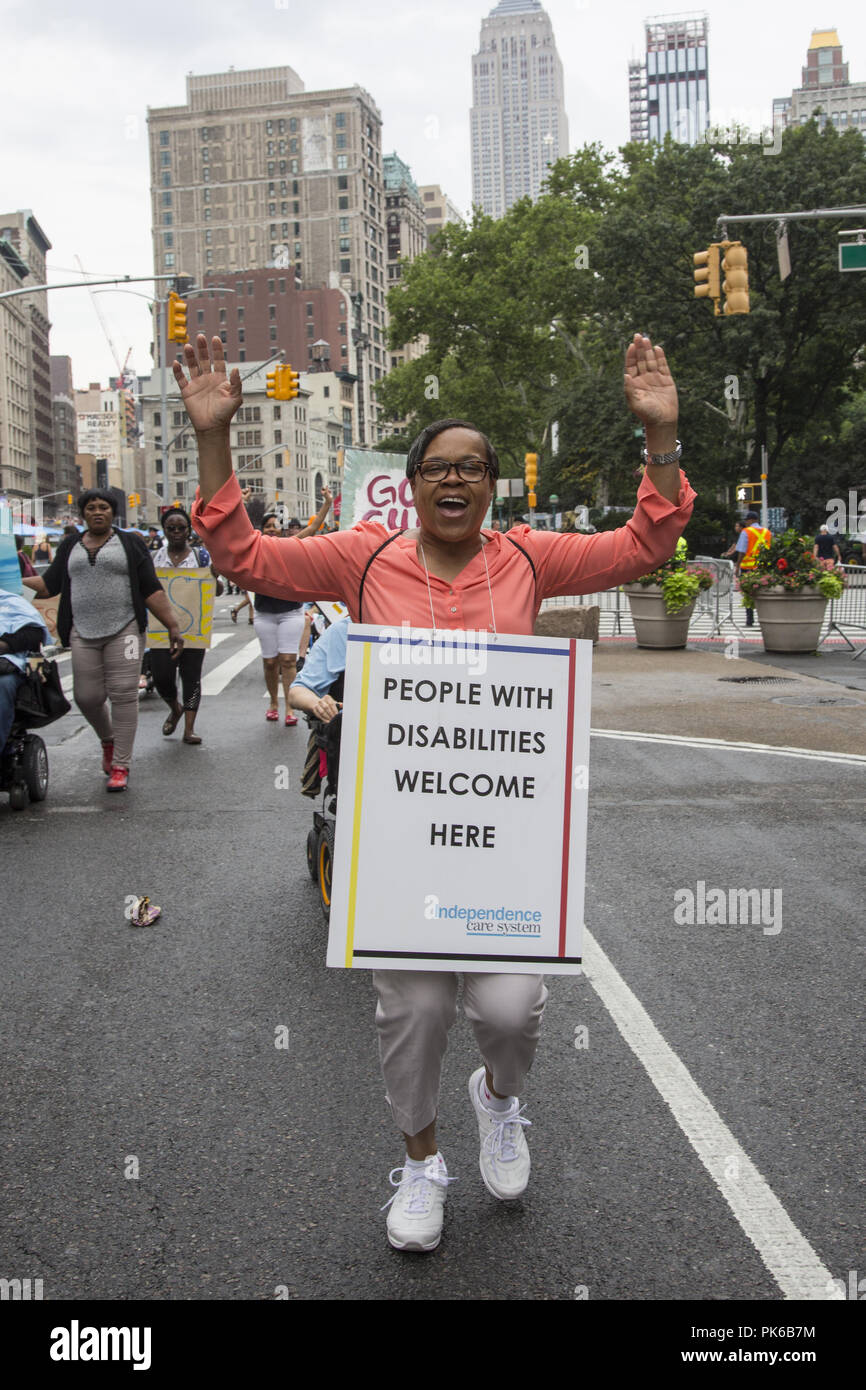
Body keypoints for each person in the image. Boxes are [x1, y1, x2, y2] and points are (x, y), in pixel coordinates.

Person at [178, 331, 695, 1253]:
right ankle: (421, 1163)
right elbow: (245, 557)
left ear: (493, 486)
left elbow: (647, 543)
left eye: (473, 469)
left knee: (509, 1009)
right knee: (411, 1010)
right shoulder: (363, 561)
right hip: (401, 841)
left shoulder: (532, 559)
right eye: (437, 469)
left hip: (505, 844)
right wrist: (217, 439)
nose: (454, 482)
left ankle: (497, 1102)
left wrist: (660, 437)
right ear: (411, 484)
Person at [21, 488, 182, 792]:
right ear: (83, 514)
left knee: (123, 694)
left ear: (112, 512)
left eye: (104, 507)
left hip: (126, 629)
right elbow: (48, 585)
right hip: (82, 631)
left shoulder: (130, 542)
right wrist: (11, 583)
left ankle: (121, 763)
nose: (98, 512)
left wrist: (173, 626)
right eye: (92, 507)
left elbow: (151, 588)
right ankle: (108, 741)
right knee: (87, 696)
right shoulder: (70, 545)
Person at [233, 496, 333, 724]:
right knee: (270, 662)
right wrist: (241, 501)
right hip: (264, 613)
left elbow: (313, 527)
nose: (271, 530)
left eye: (275, 527)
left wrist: (326, 503)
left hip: (291, 612)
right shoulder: (254, 550)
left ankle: (289, 706)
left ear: (281, 530)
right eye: (267, 527)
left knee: (288, 660)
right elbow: (237, 529)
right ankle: (273, 703)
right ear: (261, 530)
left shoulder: (288, 545)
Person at [149, 507, 221, 746]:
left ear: (189, 530)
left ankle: (189, 728)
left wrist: (213, 577)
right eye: (171, 528)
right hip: (161, 630)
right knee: (161, 677)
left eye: (181, 528)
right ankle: (174, 707)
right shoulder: (154, 558)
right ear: (164, 531)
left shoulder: (201, 557)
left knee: (191, 677)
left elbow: (217, 591)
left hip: (193, 630)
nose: (177, 532)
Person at [0, 587, 51, 754]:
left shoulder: (9, 602)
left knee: (3, 684)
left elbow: (35, 634)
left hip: (6, 668)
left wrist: (5, 645)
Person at [734, 510, 771, 628]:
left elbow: (742, 551)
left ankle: (750, 620)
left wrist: (738, 565)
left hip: (748, 567)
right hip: (763, 567)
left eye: (747, 520)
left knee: (748, 593)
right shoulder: (767, 532)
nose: (746, 522)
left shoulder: (746, 532)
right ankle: (764, 617)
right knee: (763, 592)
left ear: (751, 520)